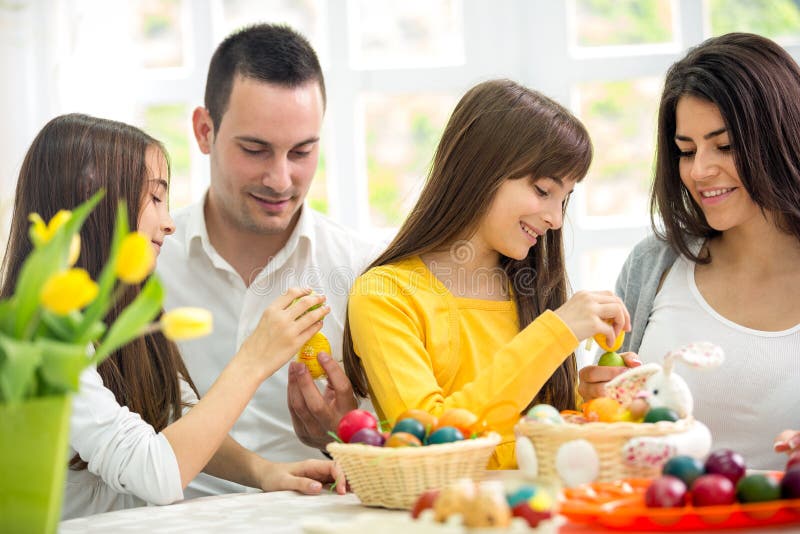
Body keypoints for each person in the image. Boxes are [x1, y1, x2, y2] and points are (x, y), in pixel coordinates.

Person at [0, 114, 345, 519]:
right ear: (95, 198)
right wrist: (254, 360)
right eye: (156, 198)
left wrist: (265, 471)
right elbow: (156, 474)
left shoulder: (126, 309)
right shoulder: (39, 334)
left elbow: (175, 418)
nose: (169, 223)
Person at [343, 79, 631, 469]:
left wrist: (594, 403)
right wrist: (556, 334)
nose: (556, 218)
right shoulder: (385, 295)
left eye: (565, 198)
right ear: (482, 170)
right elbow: (433, 440)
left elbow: (535, 434)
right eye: (544, 190)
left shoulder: (532, 288)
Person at [157, 24, 377, 496]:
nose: (281, 180)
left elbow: (403, 448)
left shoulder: (362, 270)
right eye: (255, 150)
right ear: (204, 130)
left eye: (302, 151)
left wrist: (343, 433)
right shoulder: (149, 264)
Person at [578, 33, 800, 470]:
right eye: (686, 150)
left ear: (782, 134)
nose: (699, 171)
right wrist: (599, 402)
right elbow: (610, 434)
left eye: (725, 146)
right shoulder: (653, 265)